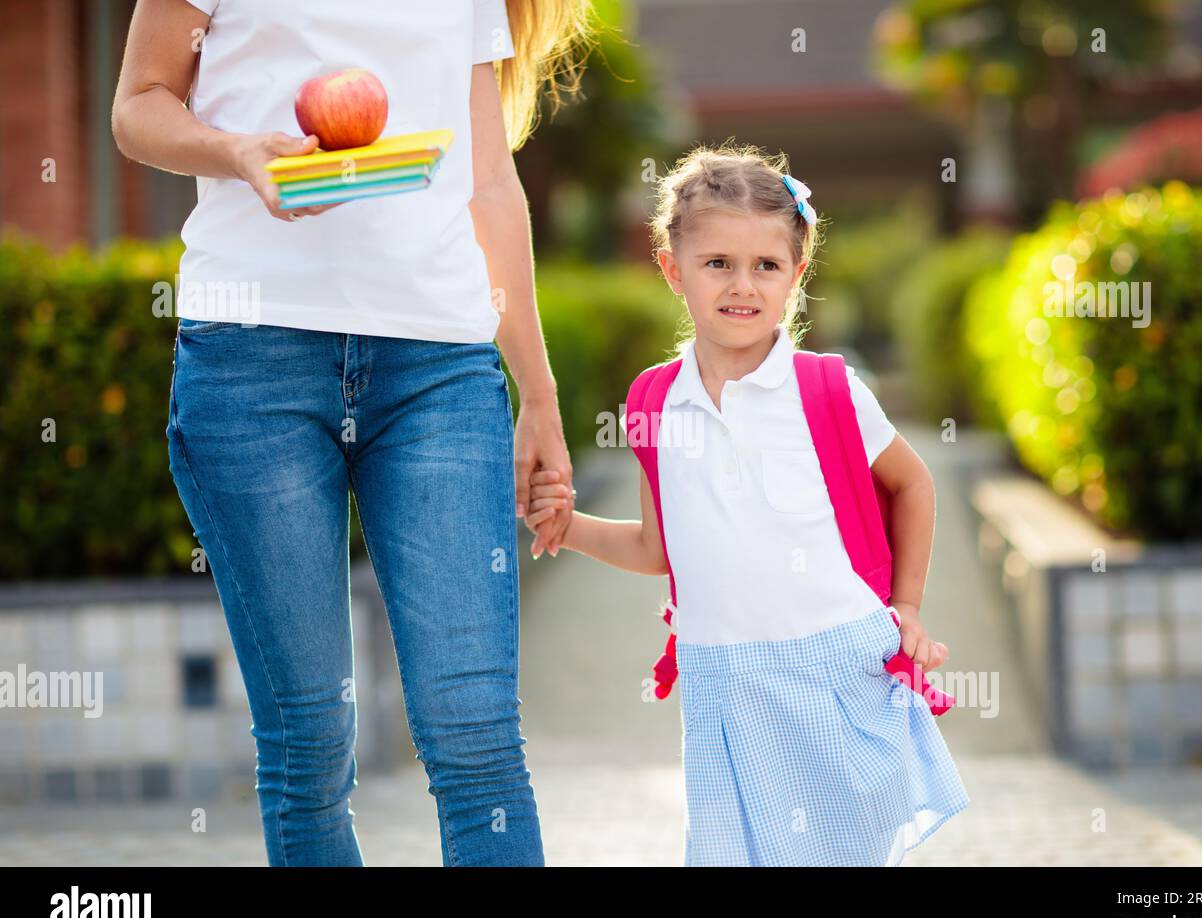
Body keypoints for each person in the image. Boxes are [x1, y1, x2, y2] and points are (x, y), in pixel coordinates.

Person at [111, 0, 589, 866]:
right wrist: (238, 151)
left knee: (476, 736)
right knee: (308, 742)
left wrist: (541, 394)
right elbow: (139, 104)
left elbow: (489, 182)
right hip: (253, 358)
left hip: (438, 366)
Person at [524, 144, 970, 865]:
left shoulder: (828, 389)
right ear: (672, 269)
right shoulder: (652, 404)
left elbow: (913, 484)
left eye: (766, 265)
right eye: (717, 264)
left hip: (836, 673)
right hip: (723, 685)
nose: (743, 284)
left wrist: (908, 607)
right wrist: (569, 528)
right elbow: (658, 549)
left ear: (796, 275)